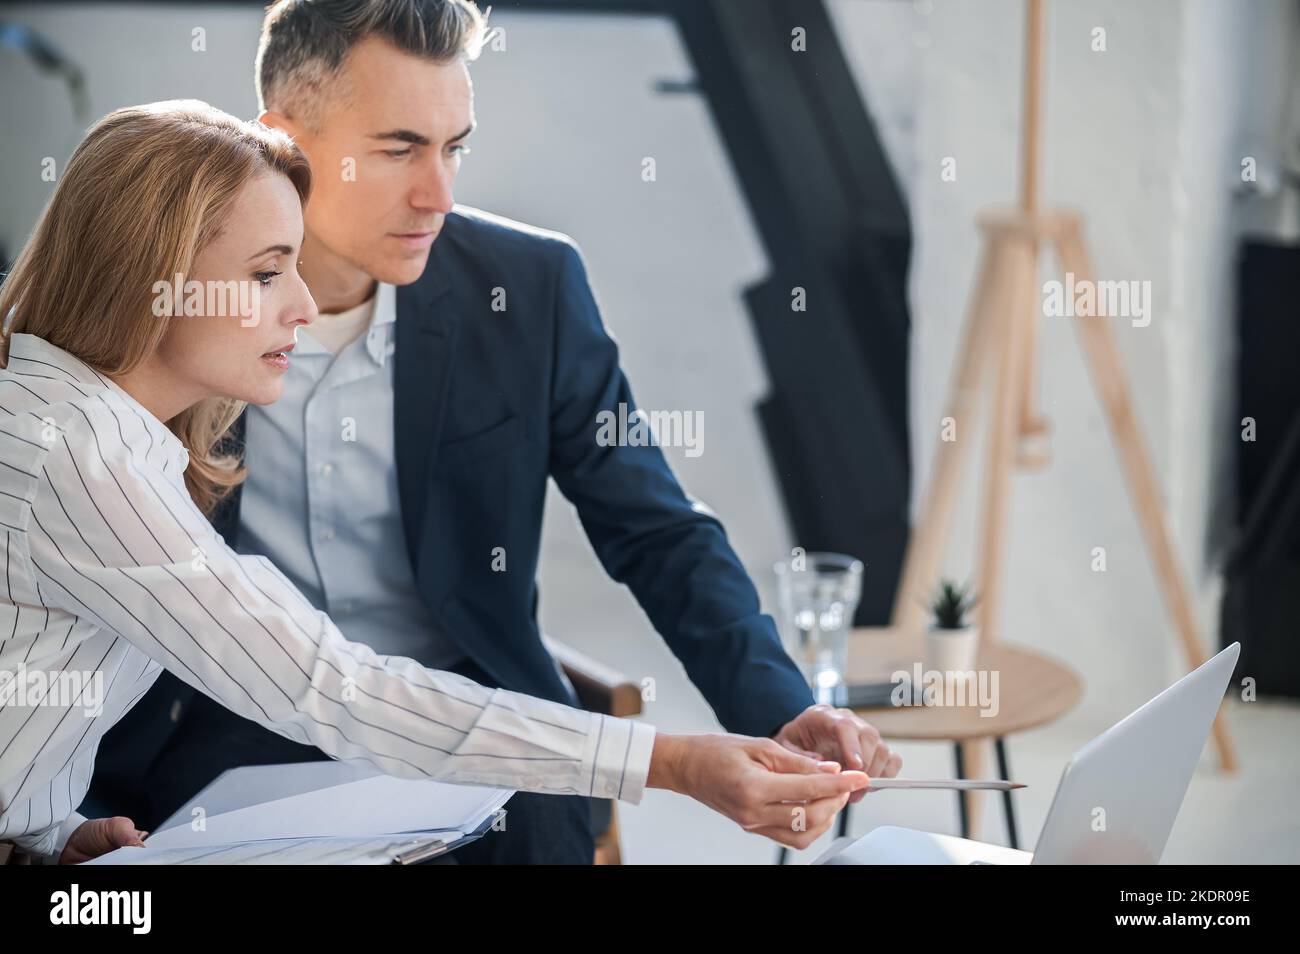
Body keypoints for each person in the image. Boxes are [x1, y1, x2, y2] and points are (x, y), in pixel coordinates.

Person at [92, 0, 903, 865]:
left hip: (486, 723)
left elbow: (658, 530)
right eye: (399, 148)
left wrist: (777, 709)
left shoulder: (531, 288)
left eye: (454, 148)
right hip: (232, 722)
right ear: (282, 142)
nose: (437, 194)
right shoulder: (174, 302)